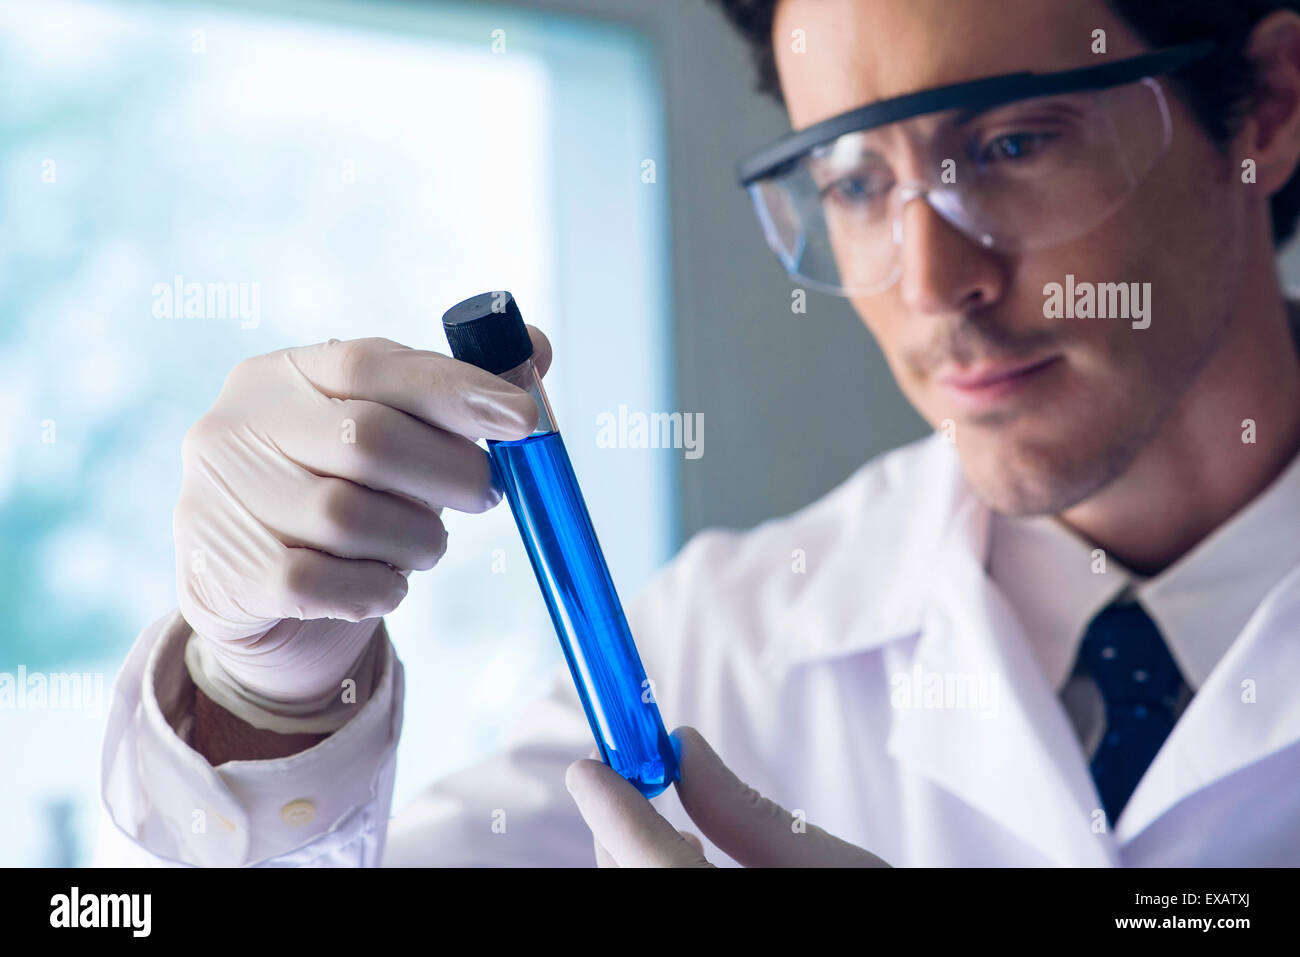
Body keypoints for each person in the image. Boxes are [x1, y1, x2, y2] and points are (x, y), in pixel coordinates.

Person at [97, 0, 1300, 867]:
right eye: (852, 181)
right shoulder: (718, 647)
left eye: (1012, 145)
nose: (931, 278)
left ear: (1266, 105)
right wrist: (264, 701)